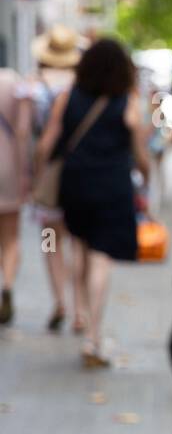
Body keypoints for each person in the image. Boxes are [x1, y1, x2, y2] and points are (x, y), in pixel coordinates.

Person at [33, 38, 152, 367]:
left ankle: (81, 315)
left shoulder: (68, 96)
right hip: (112, 186)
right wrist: (147, 175)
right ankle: (93, 337)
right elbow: (139, 148)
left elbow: (46, 144)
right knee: (100, 260)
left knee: (80, 251)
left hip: (75, 184)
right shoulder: (127, 98)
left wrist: (37, 179)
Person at [25, 25, 85, 331]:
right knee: (77, 243)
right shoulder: (81, 86)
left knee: (50, 242)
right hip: (79, 174)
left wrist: (35, 174)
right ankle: (79, 311)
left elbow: (38, 140)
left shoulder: (35, 88)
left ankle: (60, 300)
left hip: (50, 174)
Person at [0, 69, 32, 324]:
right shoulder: (12, 81)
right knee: (11, 237)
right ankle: (7, 285)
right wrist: (26, 173)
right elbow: (22, 131)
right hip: (7, 163)